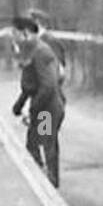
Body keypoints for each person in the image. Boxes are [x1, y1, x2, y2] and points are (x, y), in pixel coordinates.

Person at [11, 16, 65, 187]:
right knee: (34, 143)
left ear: (26, 33)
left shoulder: (42, 52)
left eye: (15, 33)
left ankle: (50, 181)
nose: (14, 37)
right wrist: (19, 104)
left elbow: (48, 86)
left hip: (47, 108)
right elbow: (30, 83)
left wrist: (34, 109)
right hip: (41, 106)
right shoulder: (30, 50)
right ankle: (42, 178)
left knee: (44, 143)